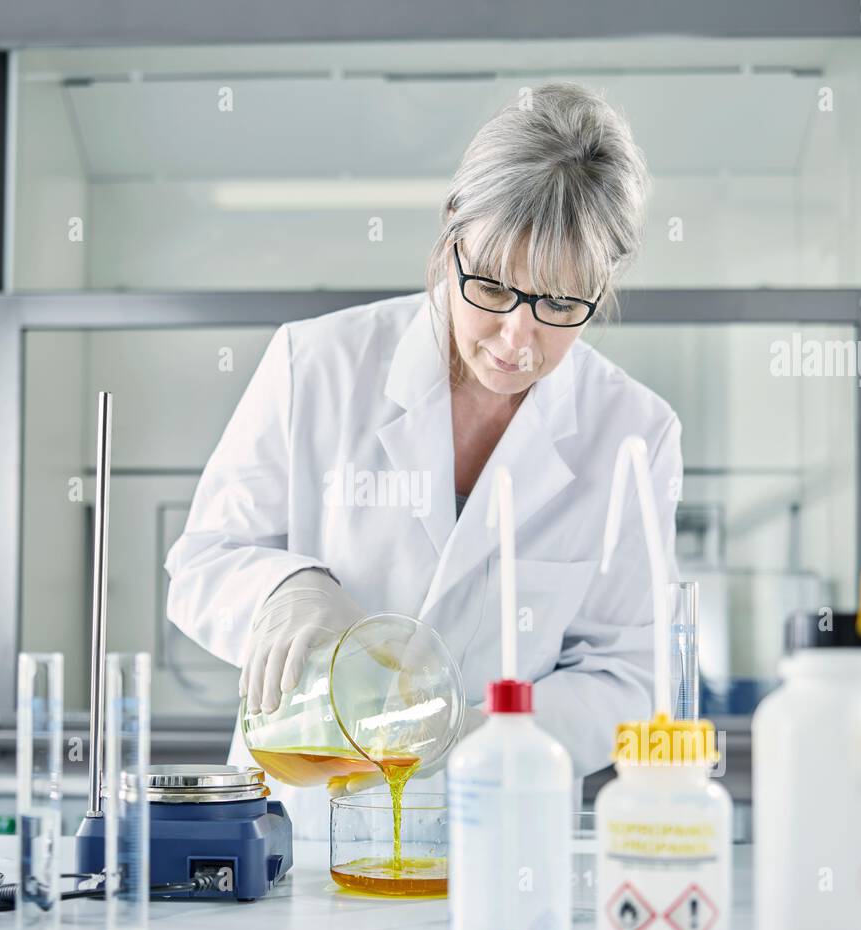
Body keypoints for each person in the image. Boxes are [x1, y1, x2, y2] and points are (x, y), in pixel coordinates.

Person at [165, 82, 682, 838]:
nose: (516, 339)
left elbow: (634, 671)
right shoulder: (316, 365)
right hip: (301, 832)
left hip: (498, 833)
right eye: (494, 287)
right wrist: (288, 588)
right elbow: (202, 563)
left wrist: (486, 738)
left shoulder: (633, 432)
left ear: (604, 285)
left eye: (561, 305)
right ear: (451, 235)